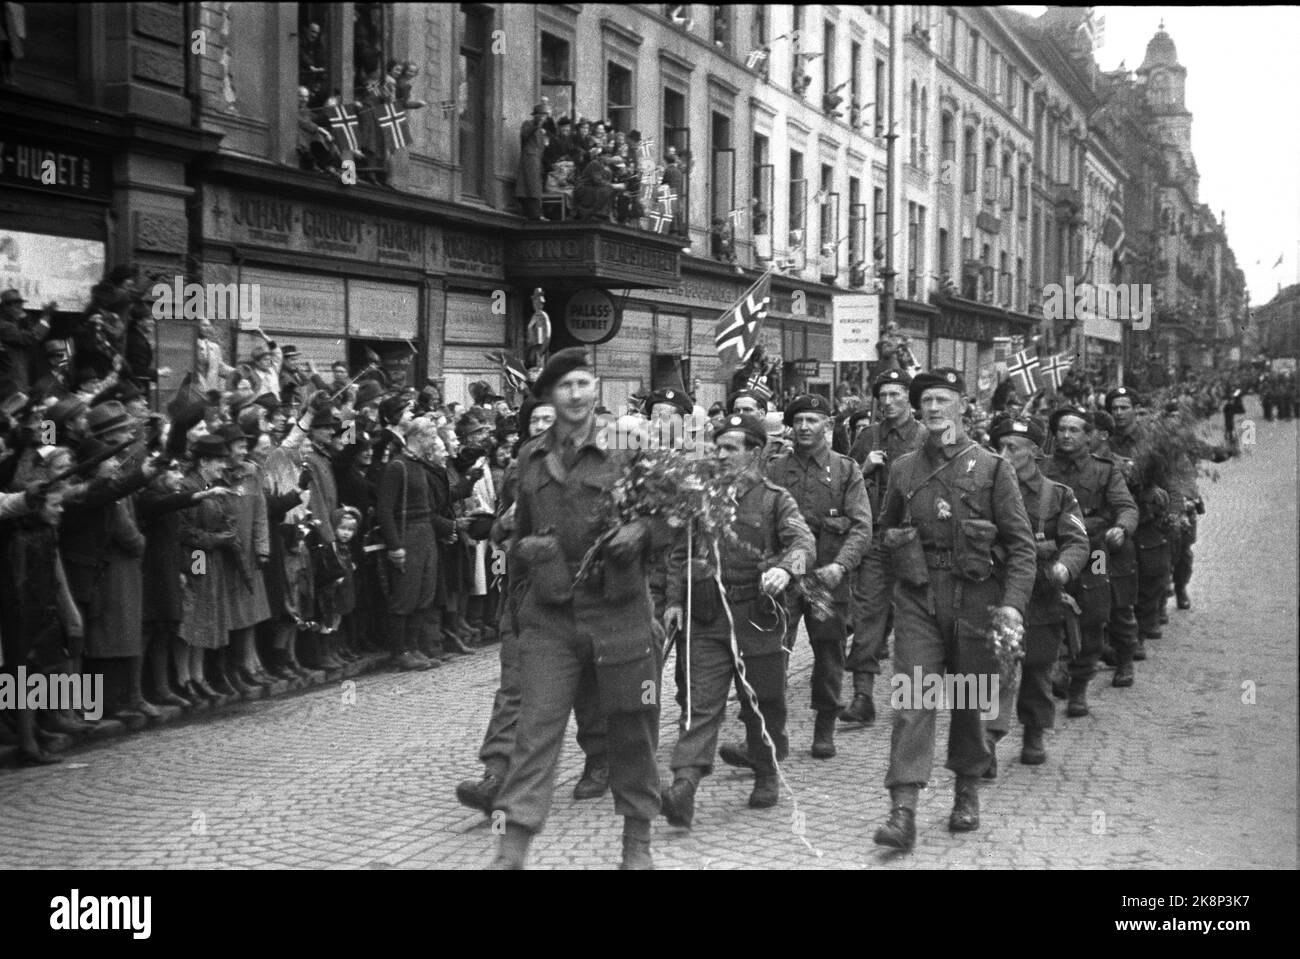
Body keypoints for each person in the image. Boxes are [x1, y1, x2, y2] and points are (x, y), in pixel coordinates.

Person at [489, 348, 666, 870]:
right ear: (549, 395)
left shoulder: (629, 446)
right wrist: (518, 596)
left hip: (620, 613)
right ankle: (511, 852)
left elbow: (675, 516)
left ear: (597, 388)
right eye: (564, 386)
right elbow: (517, 536)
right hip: (550, 618)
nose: (575, 394)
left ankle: (638, 843)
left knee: (633, 726)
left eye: (583, 382)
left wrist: (642, 530)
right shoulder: (529, 457)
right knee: (534, 732)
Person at [872, 368, 1036, 851]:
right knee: (913, 699)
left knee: (971, 701)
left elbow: (1022, 548)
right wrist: (880, 605)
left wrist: (1011, 608)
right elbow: (886, 534)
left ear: (963, 406)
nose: (934, 409)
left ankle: (966, 792)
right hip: (920, 598)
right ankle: (902, 811)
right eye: (927, 402)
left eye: (944, 400)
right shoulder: (903, 470)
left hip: (977, 597)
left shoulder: (991, 468)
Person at [660, 413, 815, 822]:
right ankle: (684, 785)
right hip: (705, 616)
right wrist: (674, 600)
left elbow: (803, 542)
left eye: (731, 447)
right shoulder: (699, 497)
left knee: (763, 701)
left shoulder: (774, 498)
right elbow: (681, 553)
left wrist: (786, 568)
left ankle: (766, 770)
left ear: (756, 453)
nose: (720, 454)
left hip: (756, 616)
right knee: (700, 703)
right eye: (718, 446)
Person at [749, 393, 871, 761]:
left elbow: (862, 527)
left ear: (828, 426)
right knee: (772, 654)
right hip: (786, 577)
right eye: (798, 420)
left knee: (828, 655)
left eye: (813, 420)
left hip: (824, 580)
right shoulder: (772, 469)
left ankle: (825, 727)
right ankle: (772, 733)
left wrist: (841, 566)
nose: (804, 427)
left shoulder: (846, 470)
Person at [986, 418, 1088, 769]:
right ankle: (988, 740)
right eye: (999, 447)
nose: (1003, 454)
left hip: (1043, 596)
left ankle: (1033, 731)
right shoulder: (987, 488)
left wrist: (1065, 566)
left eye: (1012, 447)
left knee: (1037, 670)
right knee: (996, 667)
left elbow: (1078, 540)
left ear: (1035, 452)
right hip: (1000, 592)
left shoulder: (1057, 495)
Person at [841, 368, 926, 724]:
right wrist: (865, 465)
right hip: (877, 537)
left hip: (915, 540)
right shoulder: (868, 436)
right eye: (883, 396)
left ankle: (919, 694)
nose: (889, 402)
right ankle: (863, 696)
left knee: (917, 615)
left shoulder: (926, 437)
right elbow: (847, 484)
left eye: (896, 394)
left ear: (909, 397)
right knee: (868, 613)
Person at [1042, 408, 1138, 715]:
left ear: (1088, 436)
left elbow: (1126, 506)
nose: (1066, 435)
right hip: (1054, 549)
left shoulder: (1104, 470)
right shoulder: (1042, 469)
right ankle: (1057, 670)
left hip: (1095, 551)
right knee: (1048, 613)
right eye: (1062, 429)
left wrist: (1121, 529)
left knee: (1094, 614)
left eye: (1074, 430)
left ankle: (1079, 688)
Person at [516, 103, 550, 221]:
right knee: (530, 186)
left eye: (545, 115)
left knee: (535, 187)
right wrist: (536, 125)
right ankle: (534, 213)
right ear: (536, 115)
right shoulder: (528, 124)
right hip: (529, 160)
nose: (543, 118)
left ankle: (536, 213)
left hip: (537, 161)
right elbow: (525, 135)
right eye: (541, 115)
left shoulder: (542, 131)